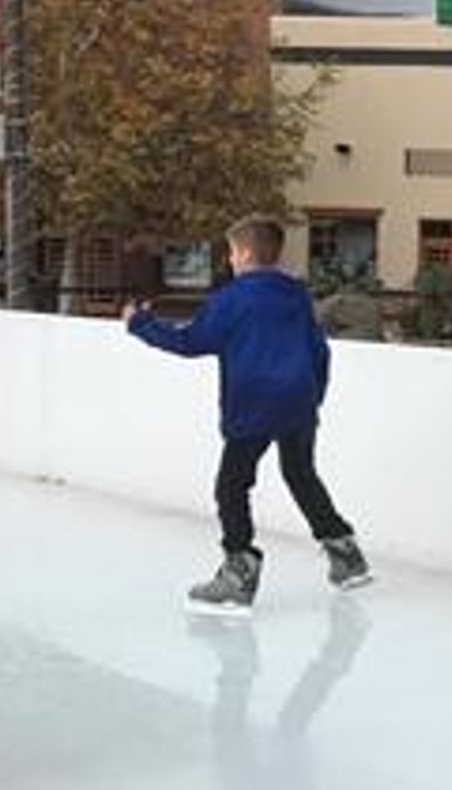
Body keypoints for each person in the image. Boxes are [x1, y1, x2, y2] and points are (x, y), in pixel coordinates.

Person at [122, 215, 370, 617]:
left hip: (255, 402)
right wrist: (313, 398)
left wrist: (140, 324)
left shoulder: (231, 299)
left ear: (247, 253)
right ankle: (345, 553)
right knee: (301, 475)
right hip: (298, 401)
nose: (231, 260)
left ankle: (239, 571)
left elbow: (190, 341)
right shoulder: (297, 296)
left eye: (233, 252)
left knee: (232, 486)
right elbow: (319, 351)